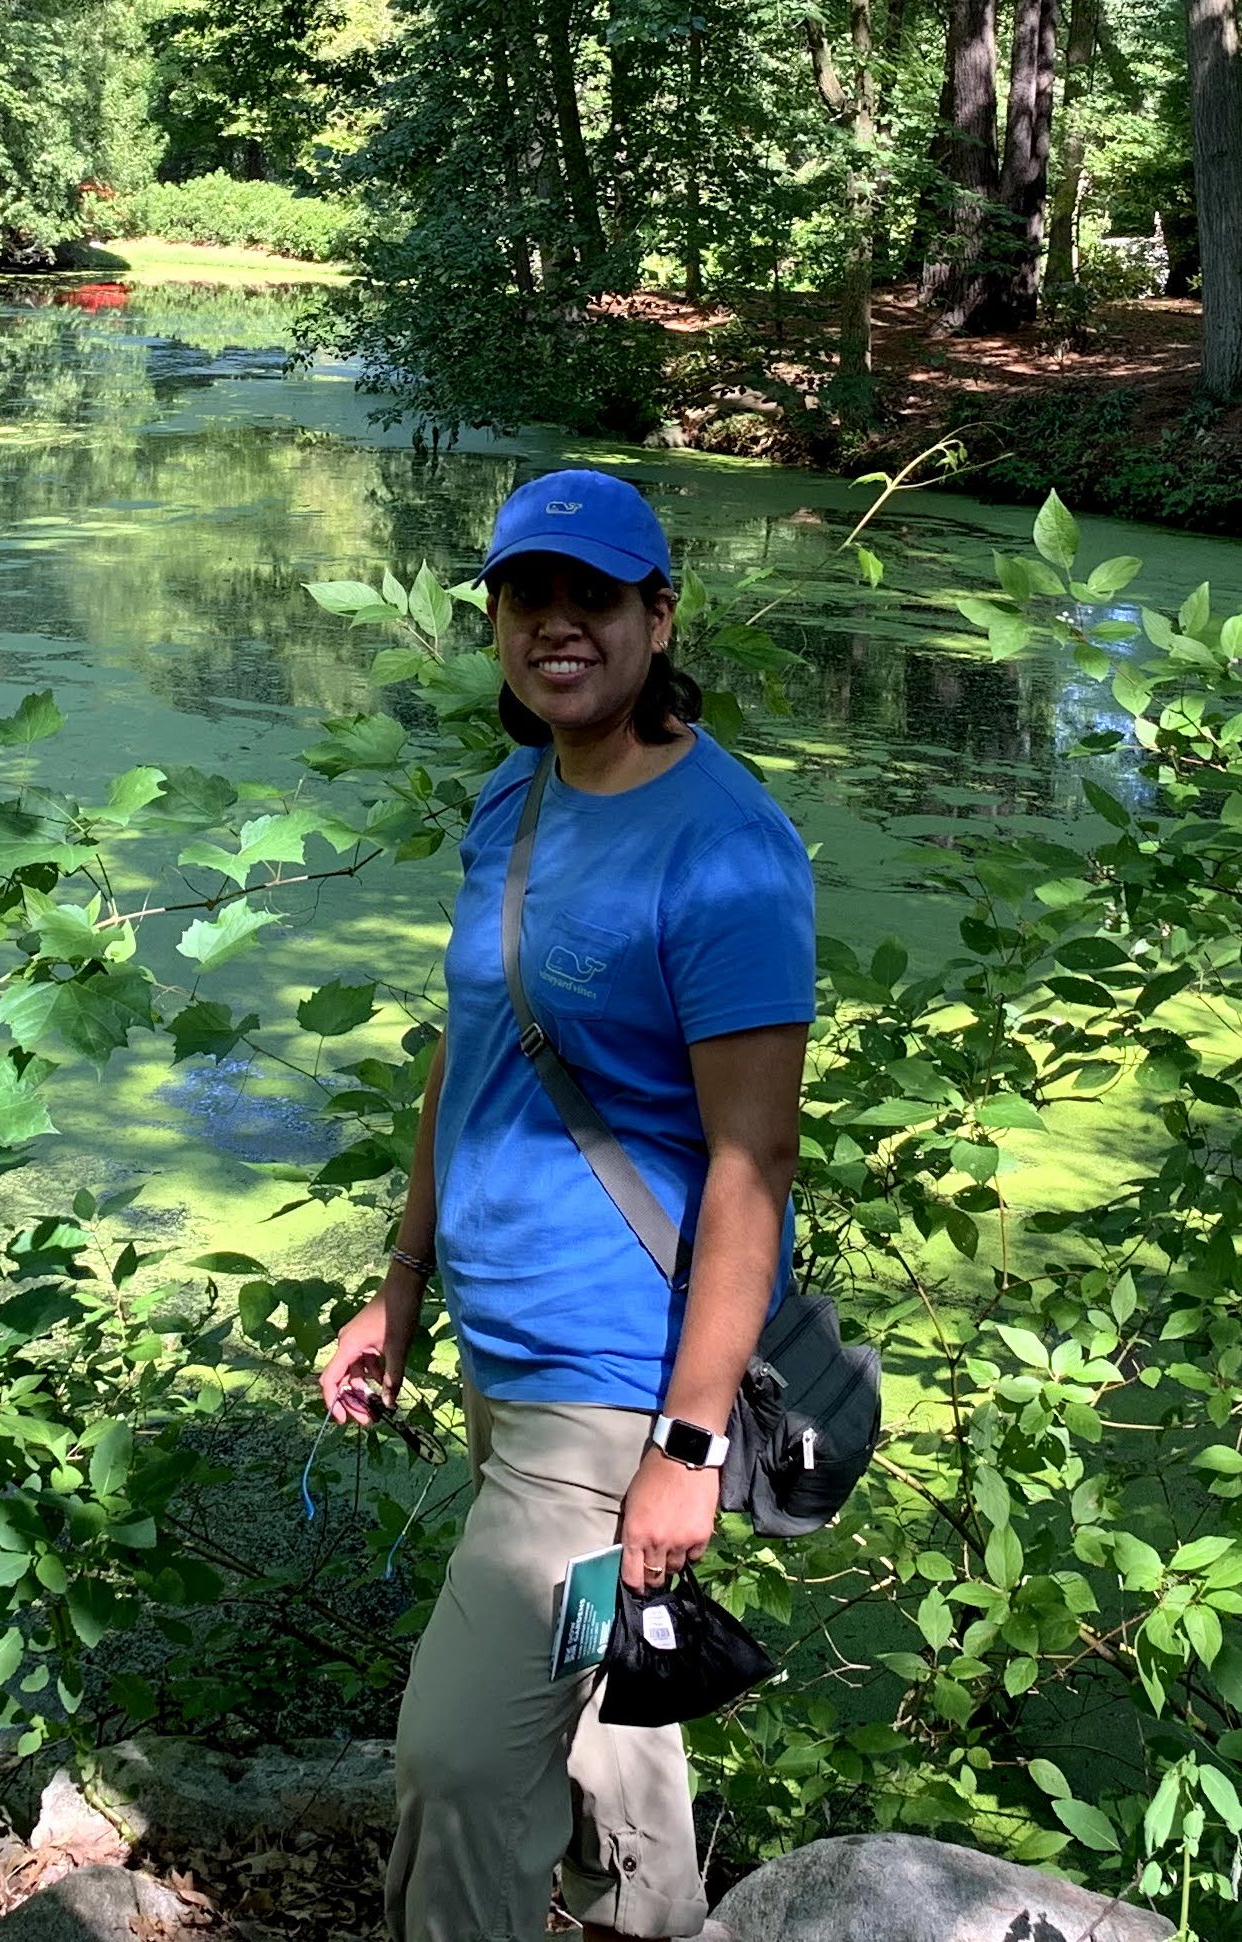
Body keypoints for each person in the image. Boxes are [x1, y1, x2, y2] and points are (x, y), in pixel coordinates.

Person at [317, 468, 815, 1942]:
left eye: (591, 597)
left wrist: (684, 1442)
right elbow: (468, 1050)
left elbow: (750, 1166)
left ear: (658, 618)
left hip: (614, 1381)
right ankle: (656, 1924)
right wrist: (399, 1283)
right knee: (604, 1707)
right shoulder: (511, 797)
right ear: (493, 621)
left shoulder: (725, 848)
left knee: (460, 1758)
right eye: (526, 596)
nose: (556, 626)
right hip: (504, 1346)